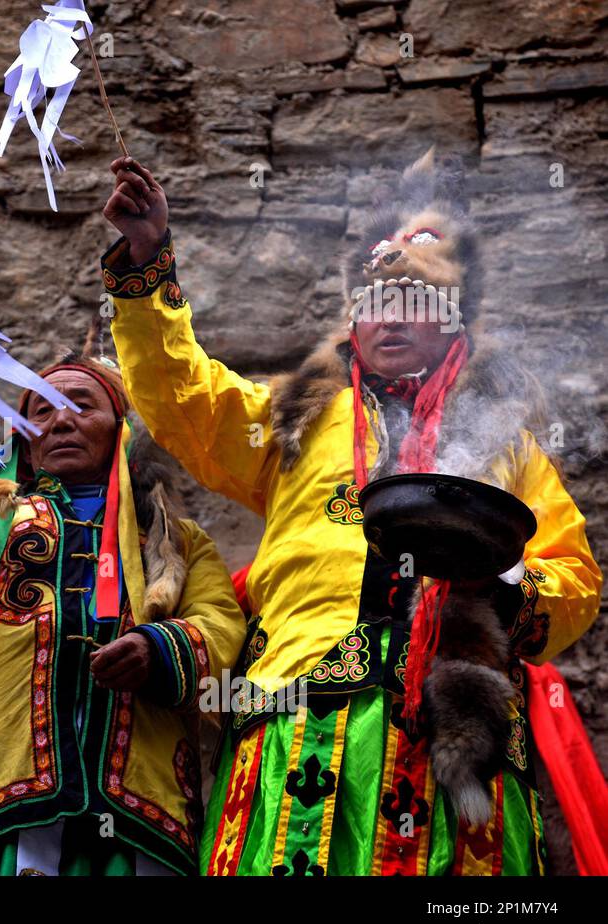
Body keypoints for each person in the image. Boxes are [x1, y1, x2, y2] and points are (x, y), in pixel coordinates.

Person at [101, 148, 602, 875]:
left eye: (415, 304)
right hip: (300, 707)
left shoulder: (510, 446)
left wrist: (500, 593)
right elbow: (182, 395)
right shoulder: (296, 418)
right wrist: (147, 263)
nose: (390, 318)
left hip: (451, 717)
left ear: (453, 326)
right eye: (376, 305)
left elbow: (574, 577)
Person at [0, 327, 246, 875]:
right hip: (1, 793)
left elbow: (222, 627)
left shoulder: (176, 539)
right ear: (24, 437)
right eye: (43, 410)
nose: (61, 420)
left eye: (82, 405)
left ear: (121, 429)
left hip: (140, 799)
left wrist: (158, 649)